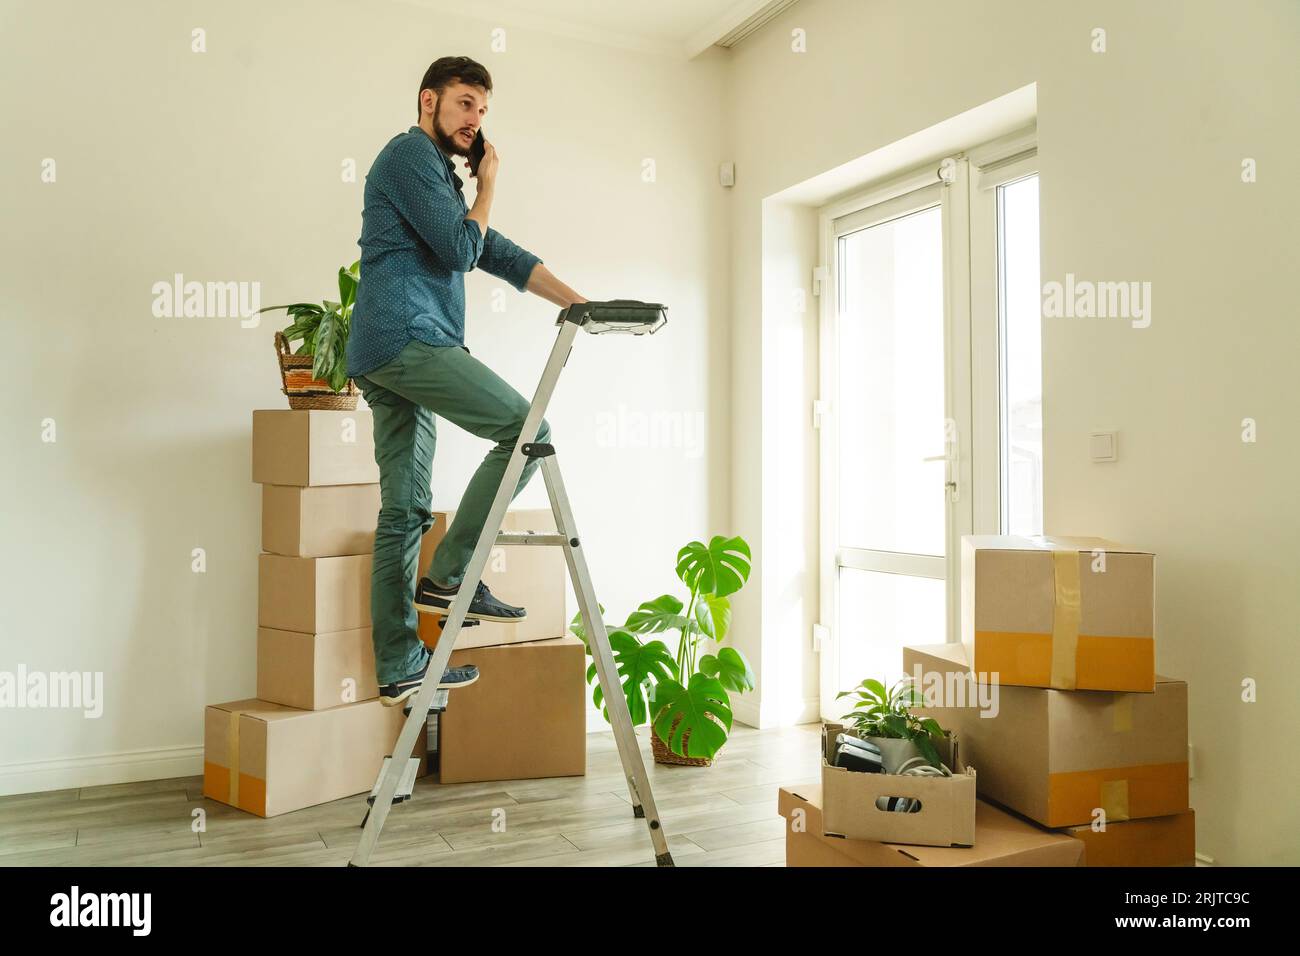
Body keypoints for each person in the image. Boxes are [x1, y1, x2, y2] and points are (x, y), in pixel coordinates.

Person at [345, 56, 588, 707]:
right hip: (407, 338)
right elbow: (461, 250)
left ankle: (399, 663)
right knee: (527, 428)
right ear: (429, 102)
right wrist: (491, 181)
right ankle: (450, 577)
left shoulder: (438, 184)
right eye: (464, 104)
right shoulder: (408, 155)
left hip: (384, 351)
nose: (475, 119)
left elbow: (494, 250)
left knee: (404, 511)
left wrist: (576, 301)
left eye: (482, 110)